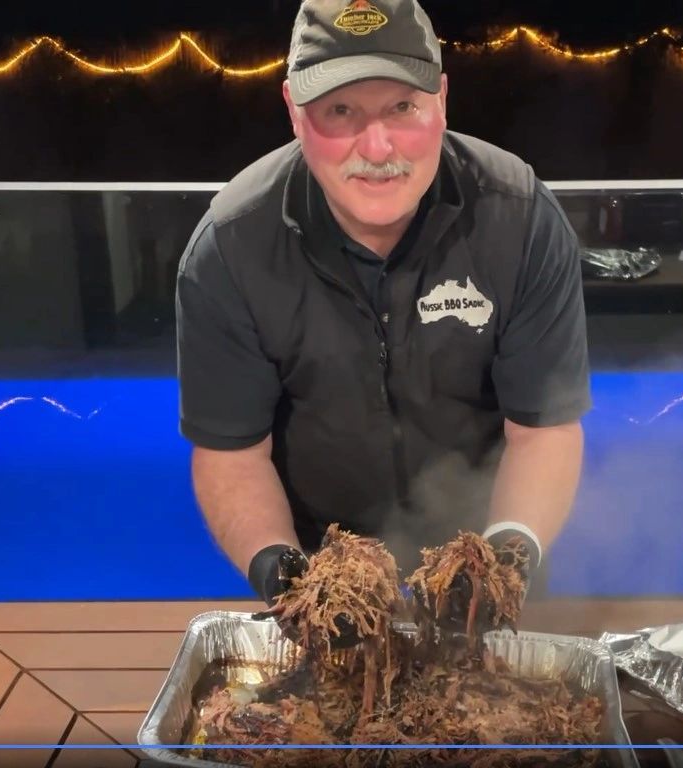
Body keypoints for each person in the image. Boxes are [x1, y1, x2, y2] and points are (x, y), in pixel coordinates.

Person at [176, 0, 590, 641]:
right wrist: (289, 579)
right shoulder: (229, 248)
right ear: (293, 110)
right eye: (341, 111)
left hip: (492, 542)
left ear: (442, 101)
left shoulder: (521, 217)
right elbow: (232, 455)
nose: (377, 148)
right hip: (319, 562)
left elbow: (544, 432)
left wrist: (505, 560)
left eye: (403, 107)